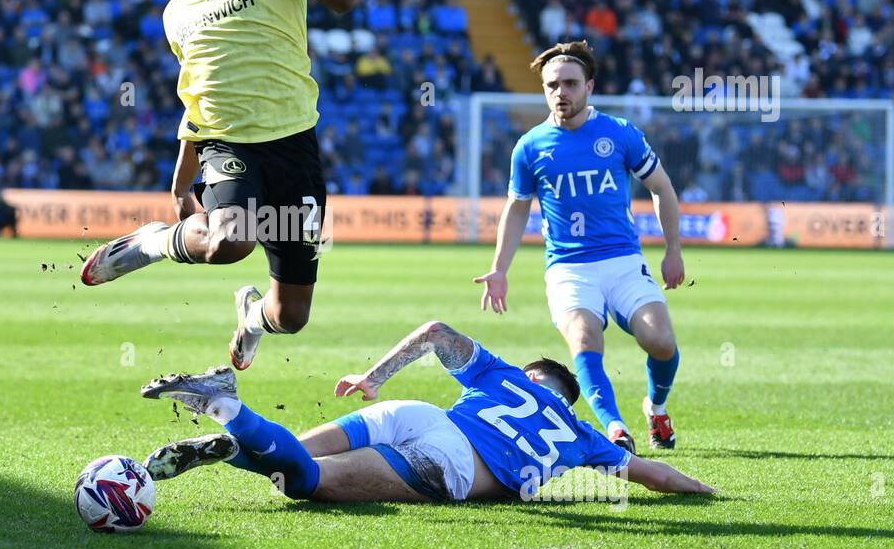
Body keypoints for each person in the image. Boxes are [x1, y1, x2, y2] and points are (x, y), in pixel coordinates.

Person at [80, 0, 356, 370]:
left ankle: (250, 319)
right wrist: (181, 180)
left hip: (294, 150)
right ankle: (151, 243)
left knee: (291, 316)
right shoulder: (176, 12)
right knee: (229, 241)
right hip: (229, 146)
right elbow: (199, 98)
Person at [140, 320, 713, 503]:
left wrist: (373, 377)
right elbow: (658, 477)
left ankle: (230, 441)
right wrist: (708, 492)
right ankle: (225, 409)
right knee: (303, 481)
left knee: (284, 462)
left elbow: (436, 331)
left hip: (414, 414)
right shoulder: (585, 436)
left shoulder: (508, 376)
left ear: (535, 376)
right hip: (452, 463)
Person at [473, 41, 685, 452]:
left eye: (570, 83)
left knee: (661, 343)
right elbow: (516, 209)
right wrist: (499, 268)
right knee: (585, 341)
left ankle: (656, 408)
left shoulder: (619, 133)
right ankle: (615, 429)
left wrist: (672, 248)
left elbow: (661, 187)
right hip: (569, 268)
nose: (560, 92)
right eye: (552, 85)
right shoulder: (531, 146)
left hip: (623, 261)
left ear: (589, 86)